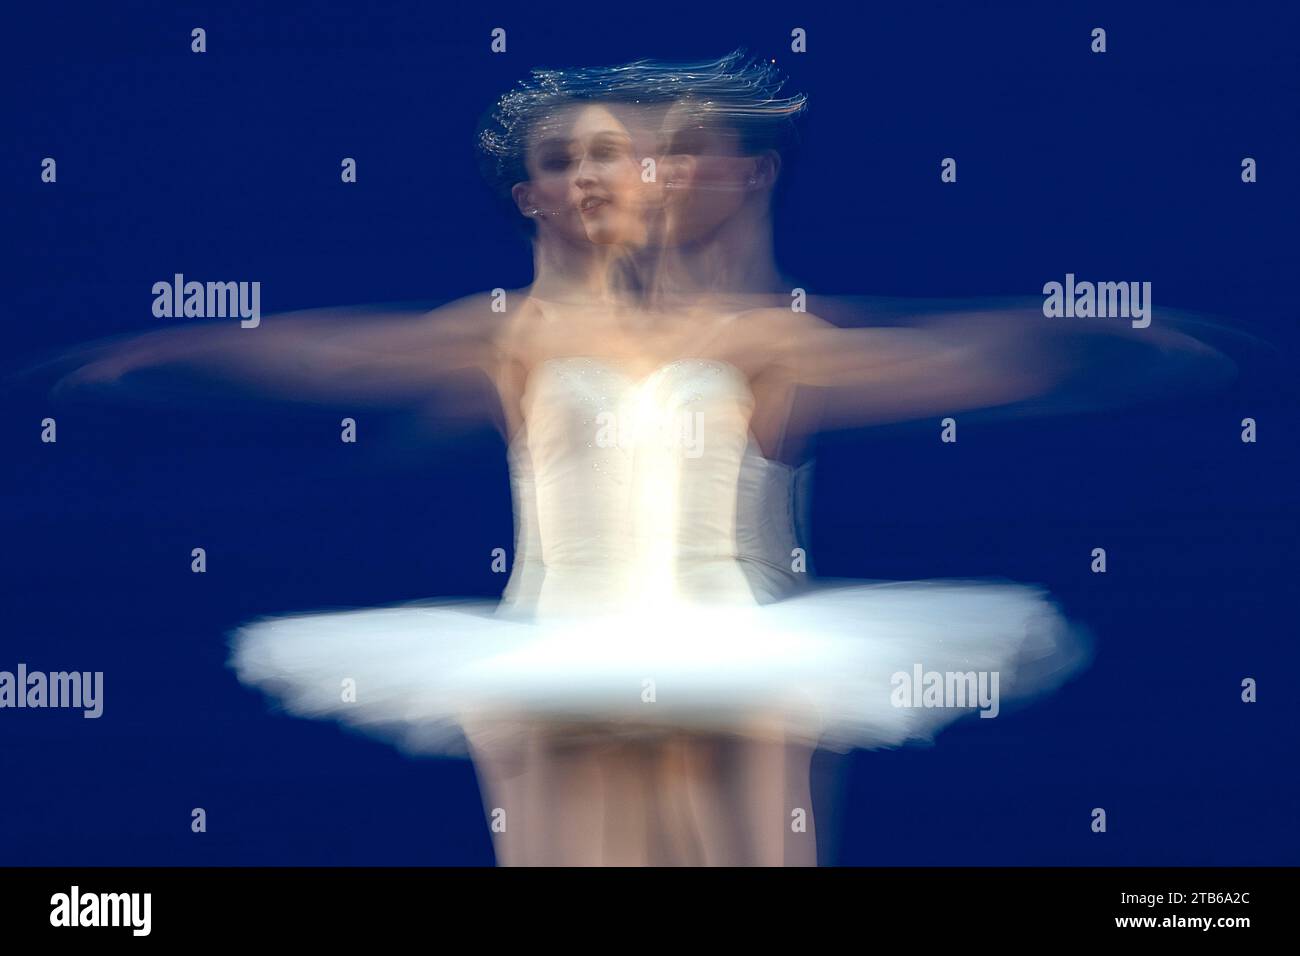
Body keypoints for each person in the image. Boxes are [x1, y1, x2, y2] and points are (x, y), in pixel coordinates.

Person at [45, 53, 1228, 866]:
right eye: (563, 161)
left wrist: (1073, 345)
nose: (593, 176)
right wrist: (178, 354)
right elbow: (334, 358)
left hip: (735, 647)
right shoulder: (508, 329)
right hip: (556, 646)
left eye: (614, 154)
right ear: (530, 195)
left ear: (655, 185)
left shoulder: (757, 335)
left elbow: (936, 363)